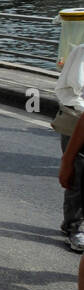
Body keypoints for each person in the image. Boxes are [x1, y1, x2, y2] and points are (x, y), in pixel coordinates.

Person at [55, 43, 84, 251]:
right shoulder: (80, 53)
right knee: (78, 175)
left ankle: (71, 223)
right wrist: (66, 161)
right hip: (76, 118)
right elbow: (67, 91)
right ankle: (75, 227)